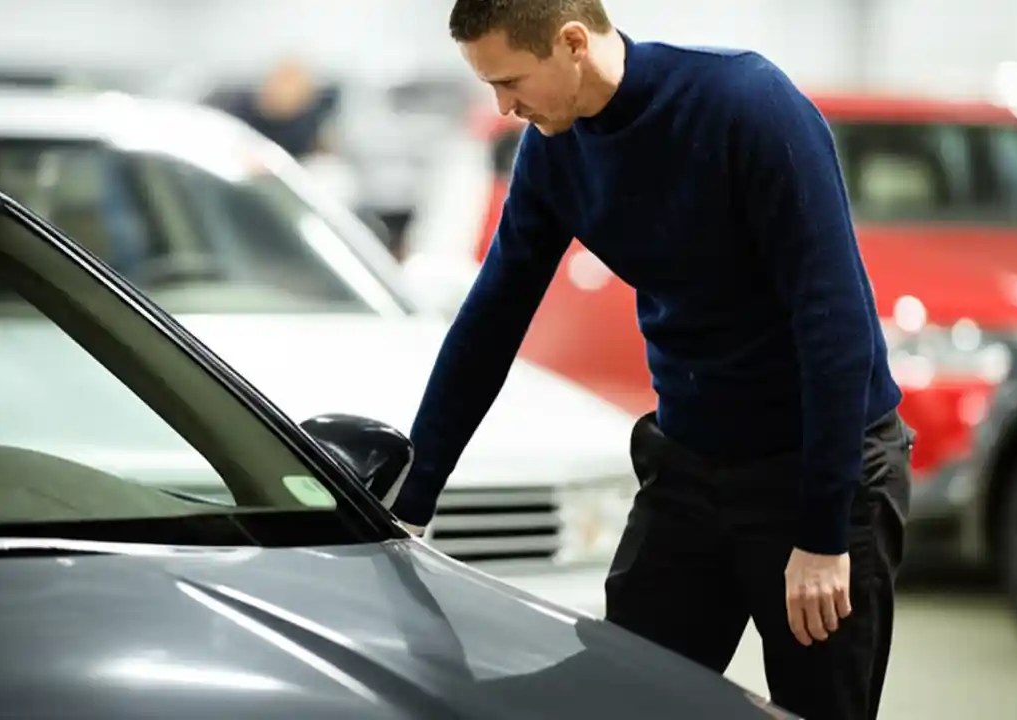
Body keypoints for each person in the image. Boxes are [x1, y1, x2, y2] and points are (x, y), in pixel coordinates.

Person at [387, 2, 913, 719]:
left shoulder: (746, 107)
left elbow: (836, 325)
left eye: (510, 81)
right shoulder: (554, 149)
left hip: (822, 468)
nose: (504, 107)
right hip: (689, 469)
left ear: (573, 43)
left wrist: (821, 535)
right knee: (627, 697)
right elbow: (491, 319)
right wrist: (412, 504)